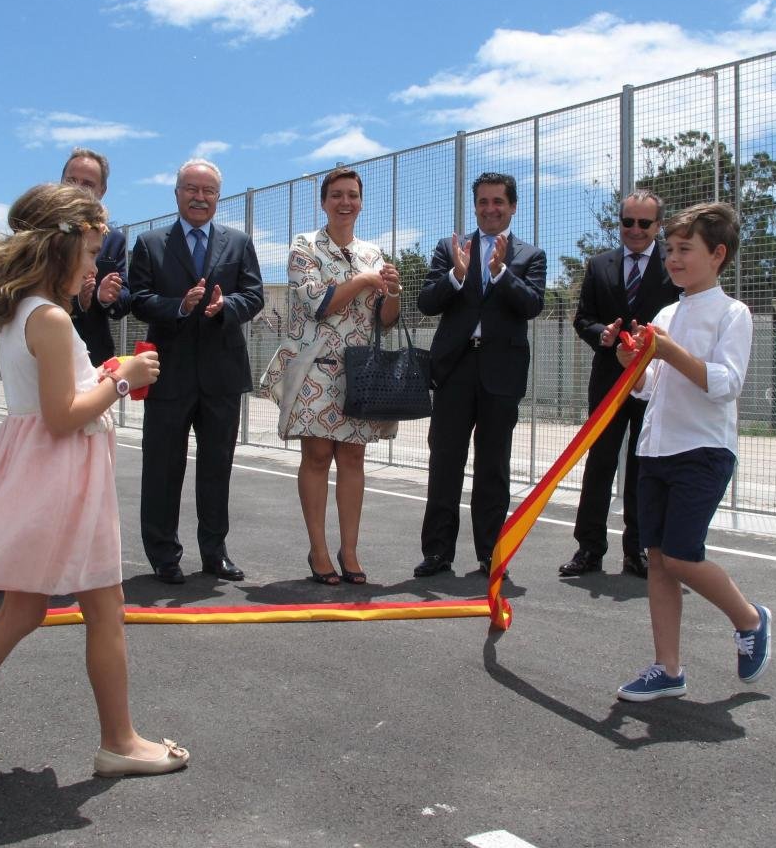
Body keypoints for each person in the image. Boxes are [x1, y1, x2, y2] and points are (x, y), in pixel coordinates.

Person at [0, 182, 187, 782]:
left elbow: (53, 398)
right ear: (60, 250)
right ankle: (119, 742)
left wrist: (103, 377)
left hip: (41, 470)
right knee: (103, 608)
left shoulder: (24, 313)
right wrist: (126, 378)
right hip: (63, 478)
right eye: (88, 254)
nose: (93, 268)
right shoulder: (52, 318)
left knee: (23, 612)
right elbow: (63, 416)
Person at [612, 201, 771, 702]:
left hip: (702, 452)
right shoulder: (666, 313)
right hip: (655, 450)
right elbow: (649, 387)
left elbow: (725, 383)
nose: (673, 259)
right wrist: (633, 362)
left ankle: (749, 618)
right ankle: (669, 668)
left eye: (685, 250)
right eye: (671, 250)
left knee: (681, 556)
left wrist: (667, 350)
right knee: (657, 559)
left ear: (718, 254)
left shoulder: (732, 313)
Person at [257, 167, 403, 585]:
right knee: (318, 457)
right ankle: (318, 550)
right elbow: (319, 303)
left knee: (354, 458)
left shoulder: (372, 253)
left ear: (360, 202)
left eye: (352, 195)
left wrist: (391, 291)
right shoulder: (304, 246)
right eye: (337, 195)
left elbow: (386, 321)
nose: (345, 202)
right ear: (324, 202)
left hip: (359, 370)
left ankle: (350, 551)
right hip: (315, 368)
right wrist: (361, 281)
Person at [128, 159, 264, 584]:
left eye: (208, 191)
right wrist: (179, 307)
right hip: (167, 373)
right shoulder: (150, 243)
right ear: (176, 194)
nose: (199, 197)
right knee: (162, 467)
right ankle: (163, 554)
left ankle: (214, 551)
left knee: (216, 466)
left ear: (218, 198)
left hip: (221, 373)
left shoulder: (238, 242)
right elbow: (138, 298)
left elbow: (254, 294)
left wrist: (227, 307)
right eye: (191, 188)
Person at [414, 173, 546, 577]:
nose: (490, 209)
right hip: (455, 370)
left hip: (500, 374)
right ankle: (437, 553)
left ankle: (491, 552)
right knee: (445, 463)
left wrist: (503, 273)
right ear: (474, 206)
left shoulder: (530, 255)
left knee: (493, 467)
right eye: (483, 202)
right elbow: (426, 302)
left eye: (498, 202)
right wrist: (456, 275)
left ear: (512, 207)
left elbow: (532, 306)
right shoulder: (450, 249)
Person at [561, 189, 680, 579]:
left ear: (658, 226)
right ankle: (589, 548)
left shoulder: (673, 266)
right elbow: (583, 318)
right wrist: (604, 335)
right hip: (609, 379)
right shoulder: (600, 265)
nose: (635, 229)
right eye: (628, 221)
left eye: (645, 223)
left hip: (656, 381)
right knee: (600, 462)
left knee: (643, 465)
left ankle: (638, 550)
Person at [61, 147, 131, 366]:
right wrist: (76, 301)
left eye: (88, 184)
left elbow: (125, 301)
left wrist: (102, 296)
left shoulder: (113, 239)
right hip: (43, 348)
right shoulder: (38, 232)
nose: (77, 188)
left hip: (93, 355)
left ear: (102, 191)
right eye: (71, 180)